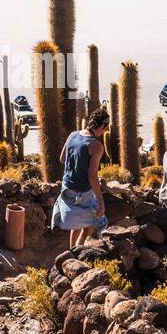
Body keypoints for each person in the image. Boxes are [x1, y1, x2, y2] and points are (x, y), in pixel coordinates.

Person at [51, 106, 109, 247]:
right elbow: (92, 176)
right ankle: (79, 246)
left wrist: (76, 165)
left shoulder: (73, 135)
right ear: (101, 125)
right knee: (96, 221)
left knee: (77, 224)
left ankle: (73, 251)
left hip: (67, 188)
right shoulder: (96, 146)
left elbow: (62, 158)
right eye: (106, 127)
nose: (106, 130)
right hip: (83, 191)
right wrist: (101, 202)